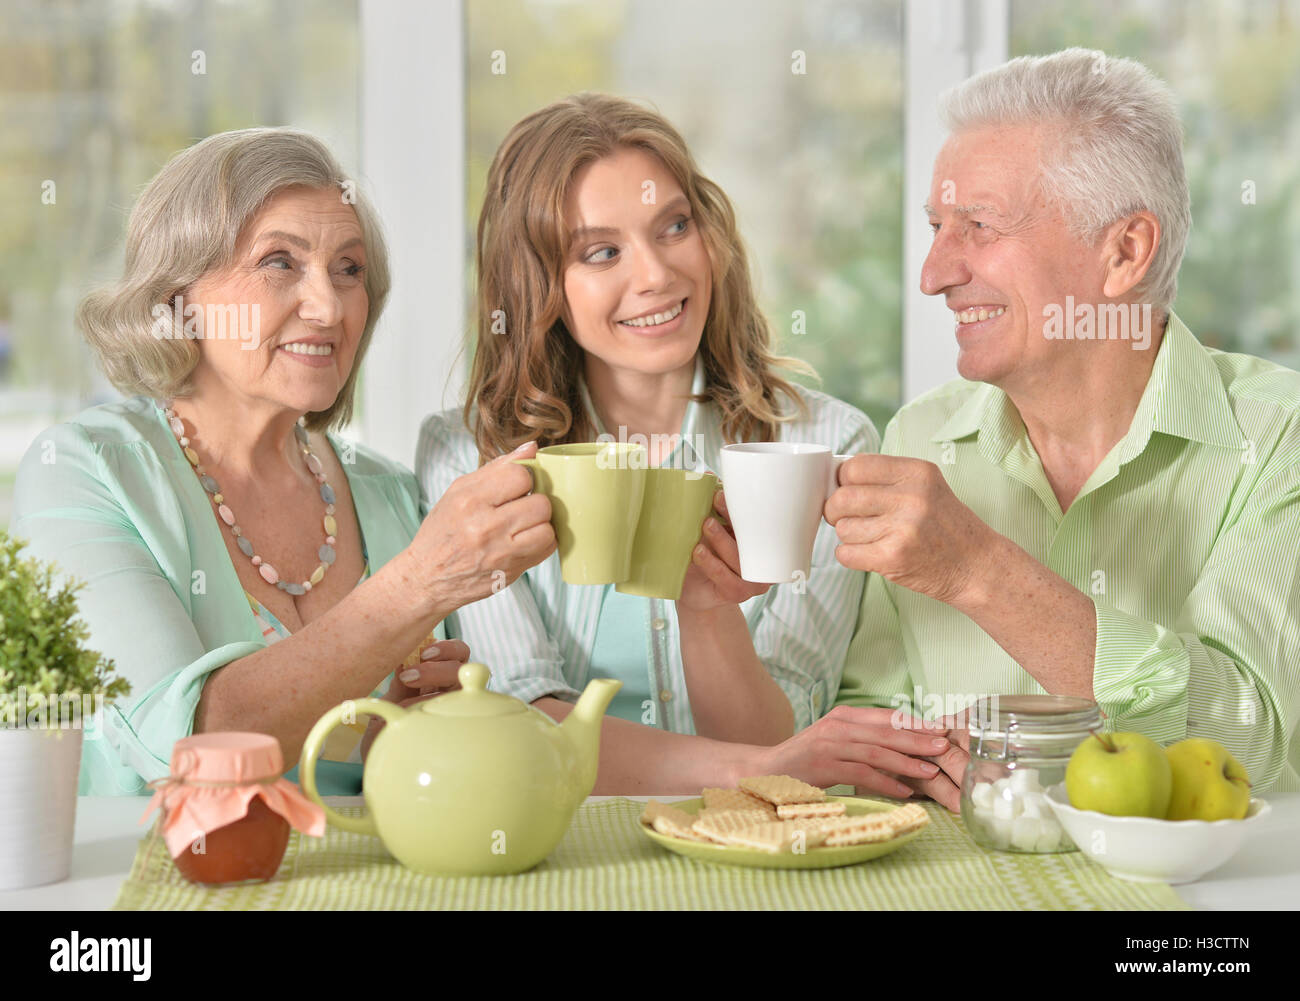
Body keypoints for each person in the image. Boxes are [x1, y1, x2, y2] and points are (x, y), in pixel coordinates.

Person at [417, 94, 955, 795]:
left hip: (754, 860)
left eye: (673, 226)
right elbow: (518, 722)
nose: (657, 275)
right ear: (537, 286)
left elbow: (786, 741)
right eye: (602, 251)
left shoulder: (822, 444)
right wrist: (755, 768)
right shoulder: (472, 456)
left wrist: (709, 613)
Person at [12, 128, 555, 795]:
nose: (328, 306)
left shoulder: (389, 494)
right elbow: (194, 745)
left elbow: (393, 771)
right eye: (280, 262)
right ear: (178, 298)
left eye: (349, 269)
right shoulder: (87, 469)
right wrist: (419, 583)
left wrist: (413, 733)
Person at [829, 48, 1300, 811]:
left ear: (1125, 252)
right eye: (936, 227)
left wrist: (980, 572)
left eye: (978, 226)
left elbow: (1251, 739)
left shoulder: (1281, 442)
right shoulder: (922, 434)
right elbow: (870, 716)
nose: (934, 272)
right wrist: (910, 760)